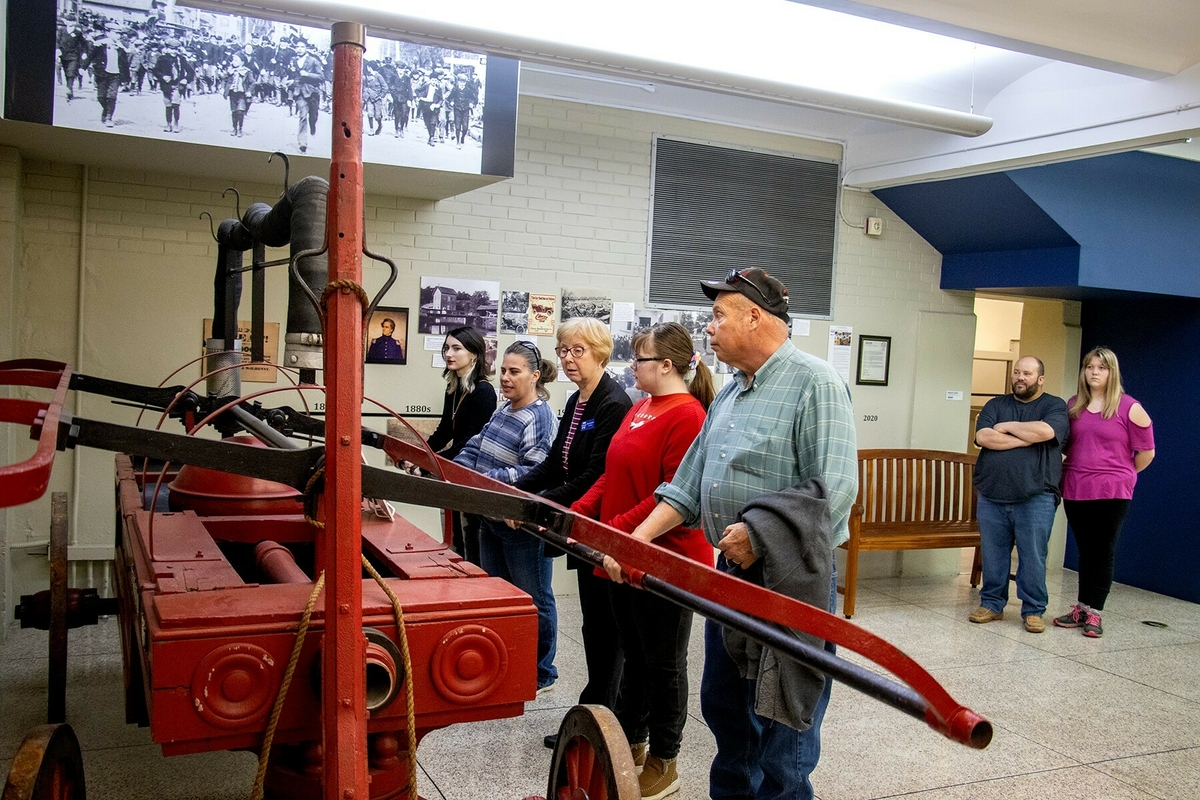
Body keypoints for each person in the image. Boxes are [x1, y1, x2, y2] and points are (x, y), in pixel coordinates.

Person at [629, 268, 857, 800]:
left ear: (755, 316)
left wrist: (760, 535)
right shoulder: (731, 394)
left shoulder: (815, 383)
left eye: (718, 316)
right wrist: (636, 542)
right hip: (729, 578)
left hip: (790, 581)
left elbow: (837, 488)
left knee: (784, 734)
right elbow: (685, 486)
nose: (708, 328)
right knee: (728, 712)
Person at [575, 322, 715, 800]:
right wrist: (580, 512)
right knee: (633, 656)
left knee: (664, 665)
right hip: (621, 553)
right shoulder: (641, 407)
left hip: (665, 557)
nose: (630, 367)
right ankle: (632, 744)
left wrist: (615, 531)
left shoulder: (688, 415)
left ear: (667, 365)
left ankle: (665, 759)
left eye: (638, 360)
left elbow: (671, 494)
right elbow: (611, 473)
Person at [515, 318, 633, 721]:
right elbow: (555, 463)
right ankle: (597, 708)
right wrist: (521, 491)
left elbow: (595, 473)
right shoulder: (576, 399)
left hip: (602, 524)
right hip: (579, 522)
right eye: (563, 350)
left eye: (577, 351)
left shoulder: (612, 402)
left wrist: (544, 502)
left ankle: (603, 712)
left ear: (599, 352)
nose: (568, 358)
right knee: (593, 627)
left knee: (605, 629)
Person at [455, 342, 559, 688]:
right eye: (502, 370)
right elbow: (476, 446)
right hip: (491, 519)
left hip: (519, 525)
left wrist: (481, 483)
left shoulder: (538, 417)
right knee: (499, 597)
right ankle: (506, 662)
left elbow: (534, 470)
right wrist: (455, 472)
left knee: (534, 598)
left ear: (535, 375)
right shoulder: (504, 410)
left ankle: (541, 671)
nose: (505, 377)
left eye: (514, 371)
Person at [1053, 347, 1155, 638]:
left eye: (1102, 367)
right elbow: (1067, 445)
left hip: (1112, 490)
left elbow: (1147, 452)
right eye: (1090, 366)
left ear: (1113, 373)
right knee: (1086, 550)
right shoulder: (1074, 406)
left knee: (1103, 551)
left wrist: (1122, 474)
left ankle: (1095, 613)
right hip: (1076, 487)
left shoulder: (1129, 407)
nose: (1094, 372)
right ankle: (1081, 608)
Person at [970, 356, 1070, 633]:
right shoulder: (995, 404)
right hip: (992, 493)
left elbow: (1047, 431)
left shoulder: (1054, 406)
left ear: (1040, 379)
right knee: (993, 554)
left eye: (1027, 373)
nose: (1020, 378)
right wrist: (1027, 438)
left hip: (1036, 495)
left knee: (1033, 555)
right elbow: (984, 437)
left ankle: (1034, 609)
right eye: (1017, 372)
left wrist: (1006, 427)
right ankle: (991, 604)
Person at [425, 327, 497, 562]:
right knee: (452, 538)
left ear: (474, 354)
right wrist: (420, 453)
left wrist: (431, 463)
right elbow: (444, 432)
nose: (449, 353)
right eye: (447, 348)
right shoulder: (453, 387)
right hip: (453, 472)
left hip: (470, 476)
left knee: (469, 543)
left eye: (457, 348)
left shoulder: (484, 392)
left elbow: (470, 442)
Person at [152, 39, 193, 134]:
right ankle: (168, 124)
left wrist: (186, 79)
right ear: (167, 49)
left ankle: (176, 124)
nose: (174, 51)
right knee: (168, 105)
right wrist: (162, 76)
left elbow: (191, 71)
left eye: (176, 49)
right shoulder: (162, 59)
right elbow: (156, 71)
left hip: (177, 85)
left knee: (176, 104)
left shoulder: (181, 59)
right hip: (166, 85)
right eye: (171, 49)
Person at [293, 41, 323, 153]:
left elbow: (321, 77)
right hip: (300, 92)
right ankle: (302, 142)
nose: (299, 49)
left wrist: (307, 74)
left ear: (306, 48)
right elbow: (293, 75)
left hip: (312, 92)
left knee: (313, 116)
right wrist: (291, 81)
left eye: (302, 47)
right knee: (303, 116)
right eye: (297, 47)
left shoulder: (314, 61)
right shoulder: (293, 60)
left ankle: (313, 124)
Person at [225, 51, 252, 138]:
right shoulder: (230, 71)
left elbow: (252, 83)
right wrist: (224, 88)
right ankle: (234, 128)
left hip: (242, 94)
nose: (234, 62)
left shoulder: (247, 72)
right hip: (233, 93)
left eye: (236, 60)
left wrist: (249, 91)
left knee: (240, 111)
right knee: (234, 112)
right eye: (233, 60)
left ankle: (240, 128)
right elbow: (225, 80)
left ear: (242, 62)